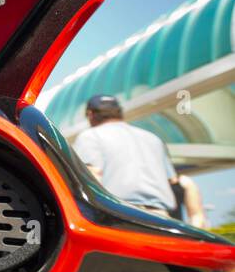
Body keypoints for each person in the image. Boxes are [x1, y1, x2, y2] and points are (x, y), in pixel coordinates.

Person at [72, 94, 205, 225]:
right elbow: (172, 181)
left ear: (90, 114)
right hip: (161, 220)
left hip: (121, 217)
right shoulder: (153, 138)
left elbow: (92, 176)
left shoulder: (90, 136)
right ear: (119, 113)